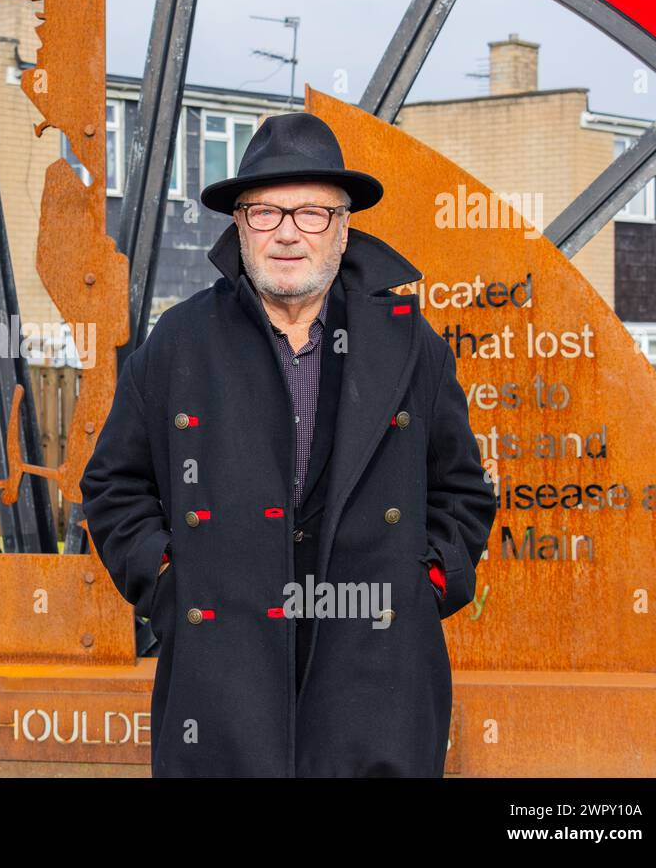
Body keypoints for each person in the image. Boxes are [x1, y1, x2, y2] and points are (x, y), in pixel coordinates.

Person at [79, 112, 496, 777]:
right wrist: (169, 582)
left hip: (376, 679)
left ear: (343, 224)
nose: (287, 233)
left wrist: (425, 584)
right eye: (265, 212)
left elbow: (463, 491)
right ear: (239, 225)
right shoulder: (181, 343)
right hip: (222, 680)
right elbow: (112, 484)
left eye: (311, 212)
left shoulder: (414, 348)